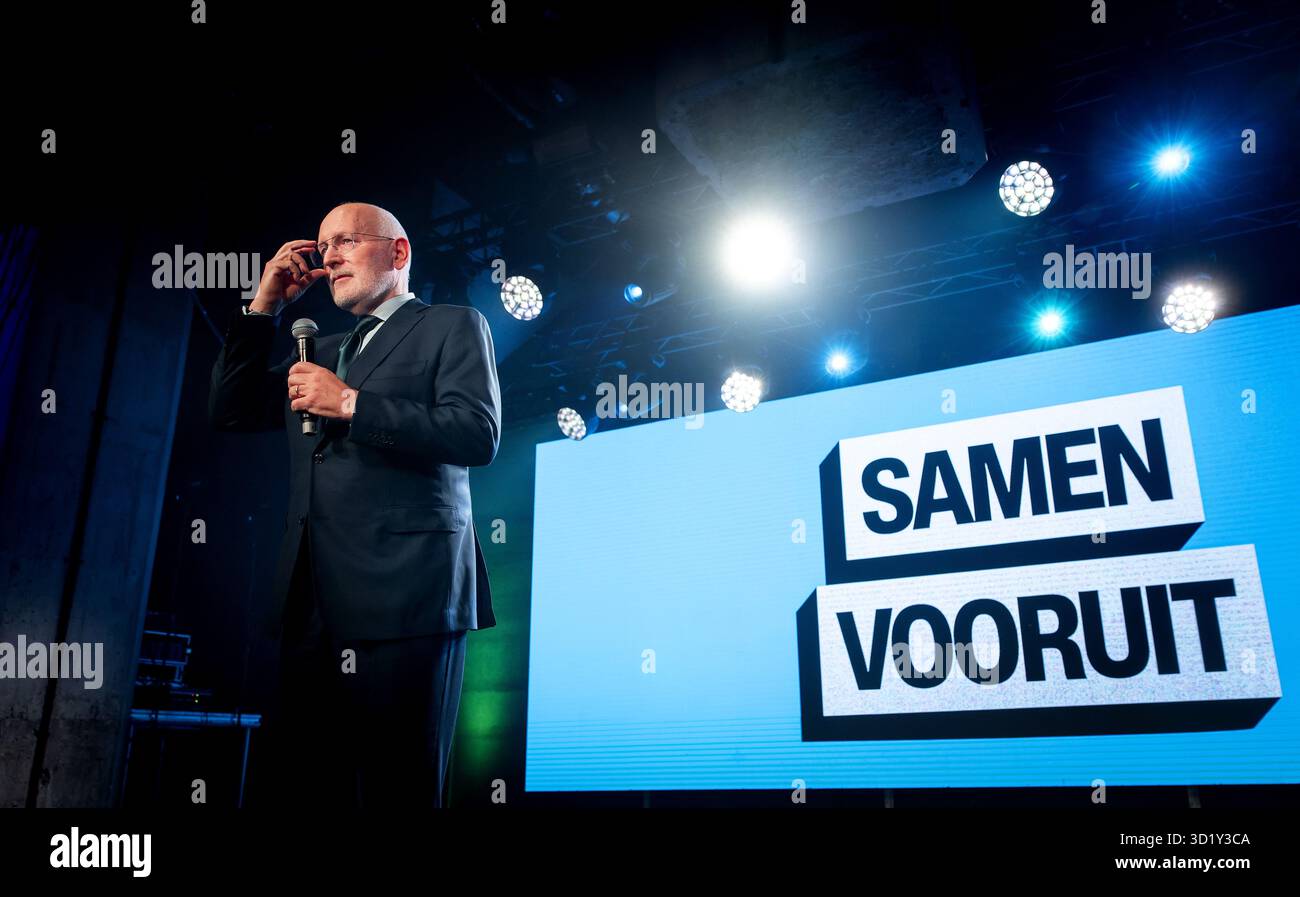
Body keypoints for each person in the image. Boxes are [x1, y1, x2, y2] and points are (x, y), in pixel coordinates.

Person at [208, 202, 501, 808]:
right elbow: (230, 410)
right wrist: (264, 307)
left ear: (398, 253)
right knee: (306, 787)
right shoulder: (319, 348)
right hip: (310, 598)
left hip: (408, 597)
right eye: (322, 247)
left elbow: (476, 434)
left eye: (346, 241)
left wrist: (350, 406)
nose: (330, 255)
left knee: (398, 789)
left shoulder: (453, 324)